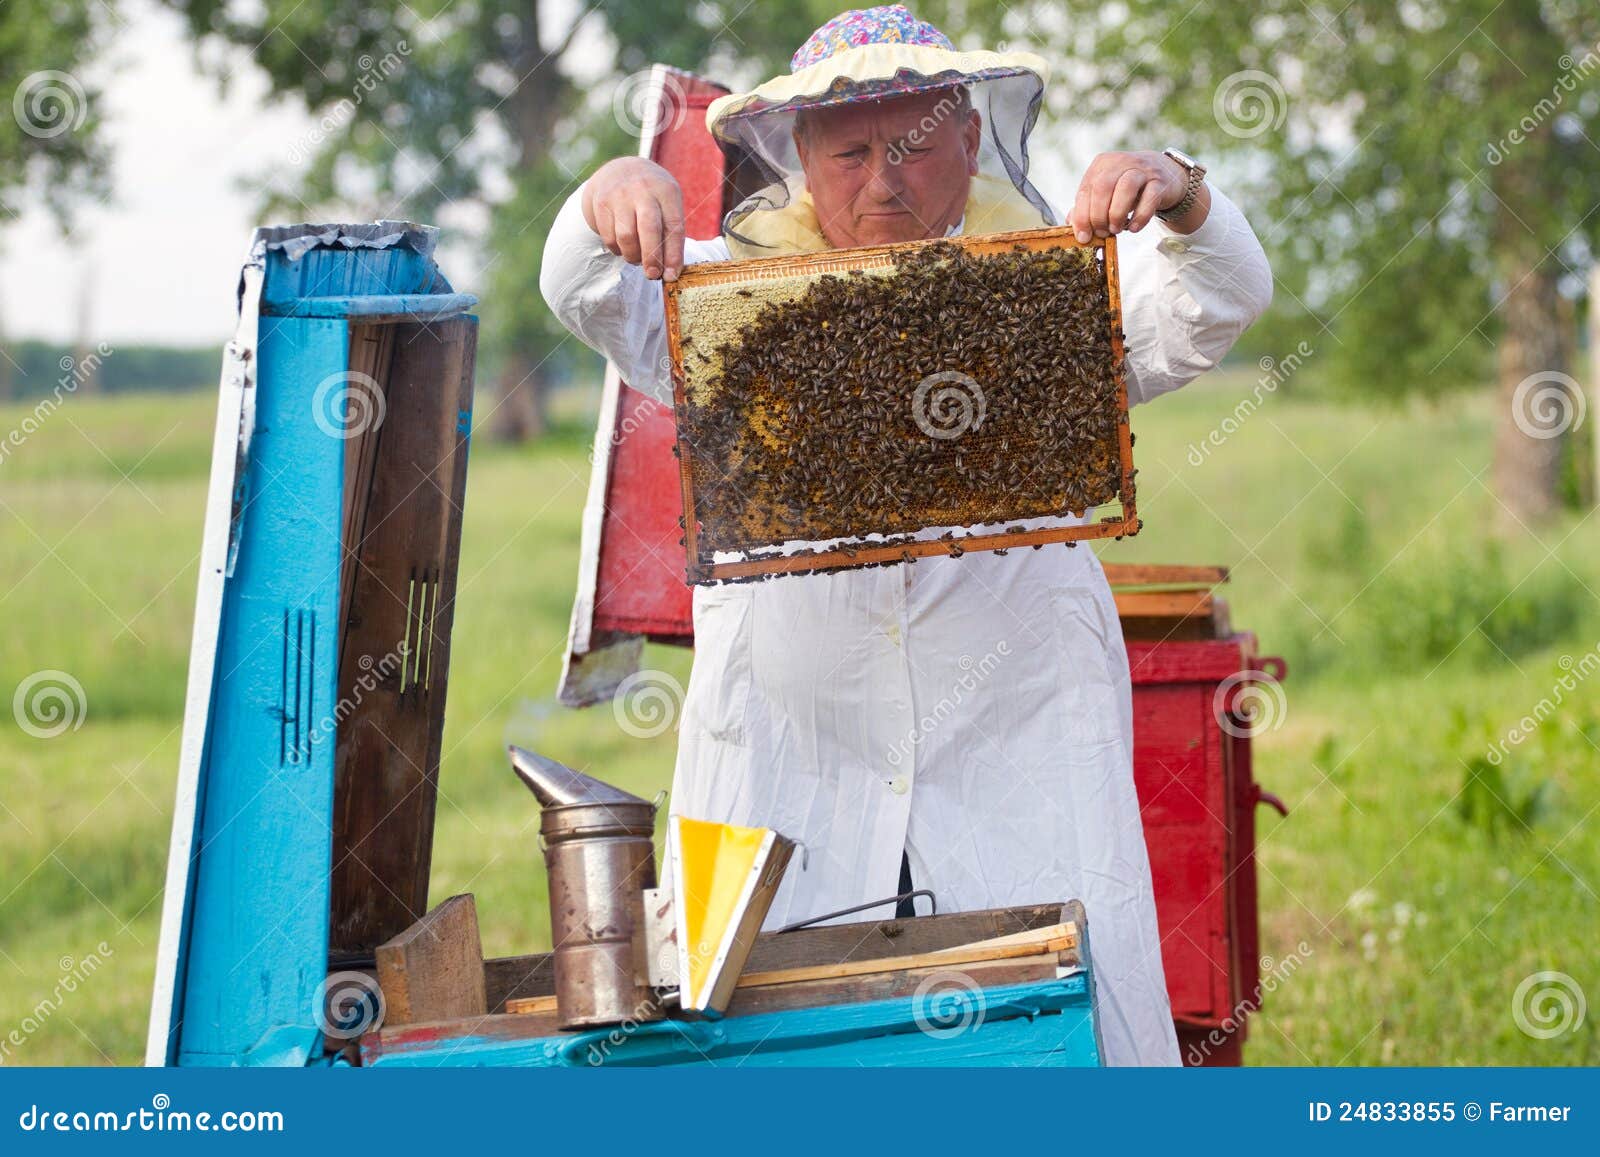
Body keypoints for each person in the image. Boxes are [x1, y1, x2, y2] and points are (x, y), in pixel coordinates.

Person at [540, 4, 1273, 1066]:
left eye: (916, 146)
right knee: (777, 1058)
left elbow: (1221, 296)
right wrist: (608, 190)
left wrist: (1183, 186)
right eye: (849, 152)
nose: (884, 179)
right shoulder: (713, 300)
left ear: (970, 140)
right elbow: (581, 284)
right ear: (796, 156)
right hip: (790, 752)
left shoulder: (1052, 293)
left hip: (1015, 738)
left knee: (1056, 1046)